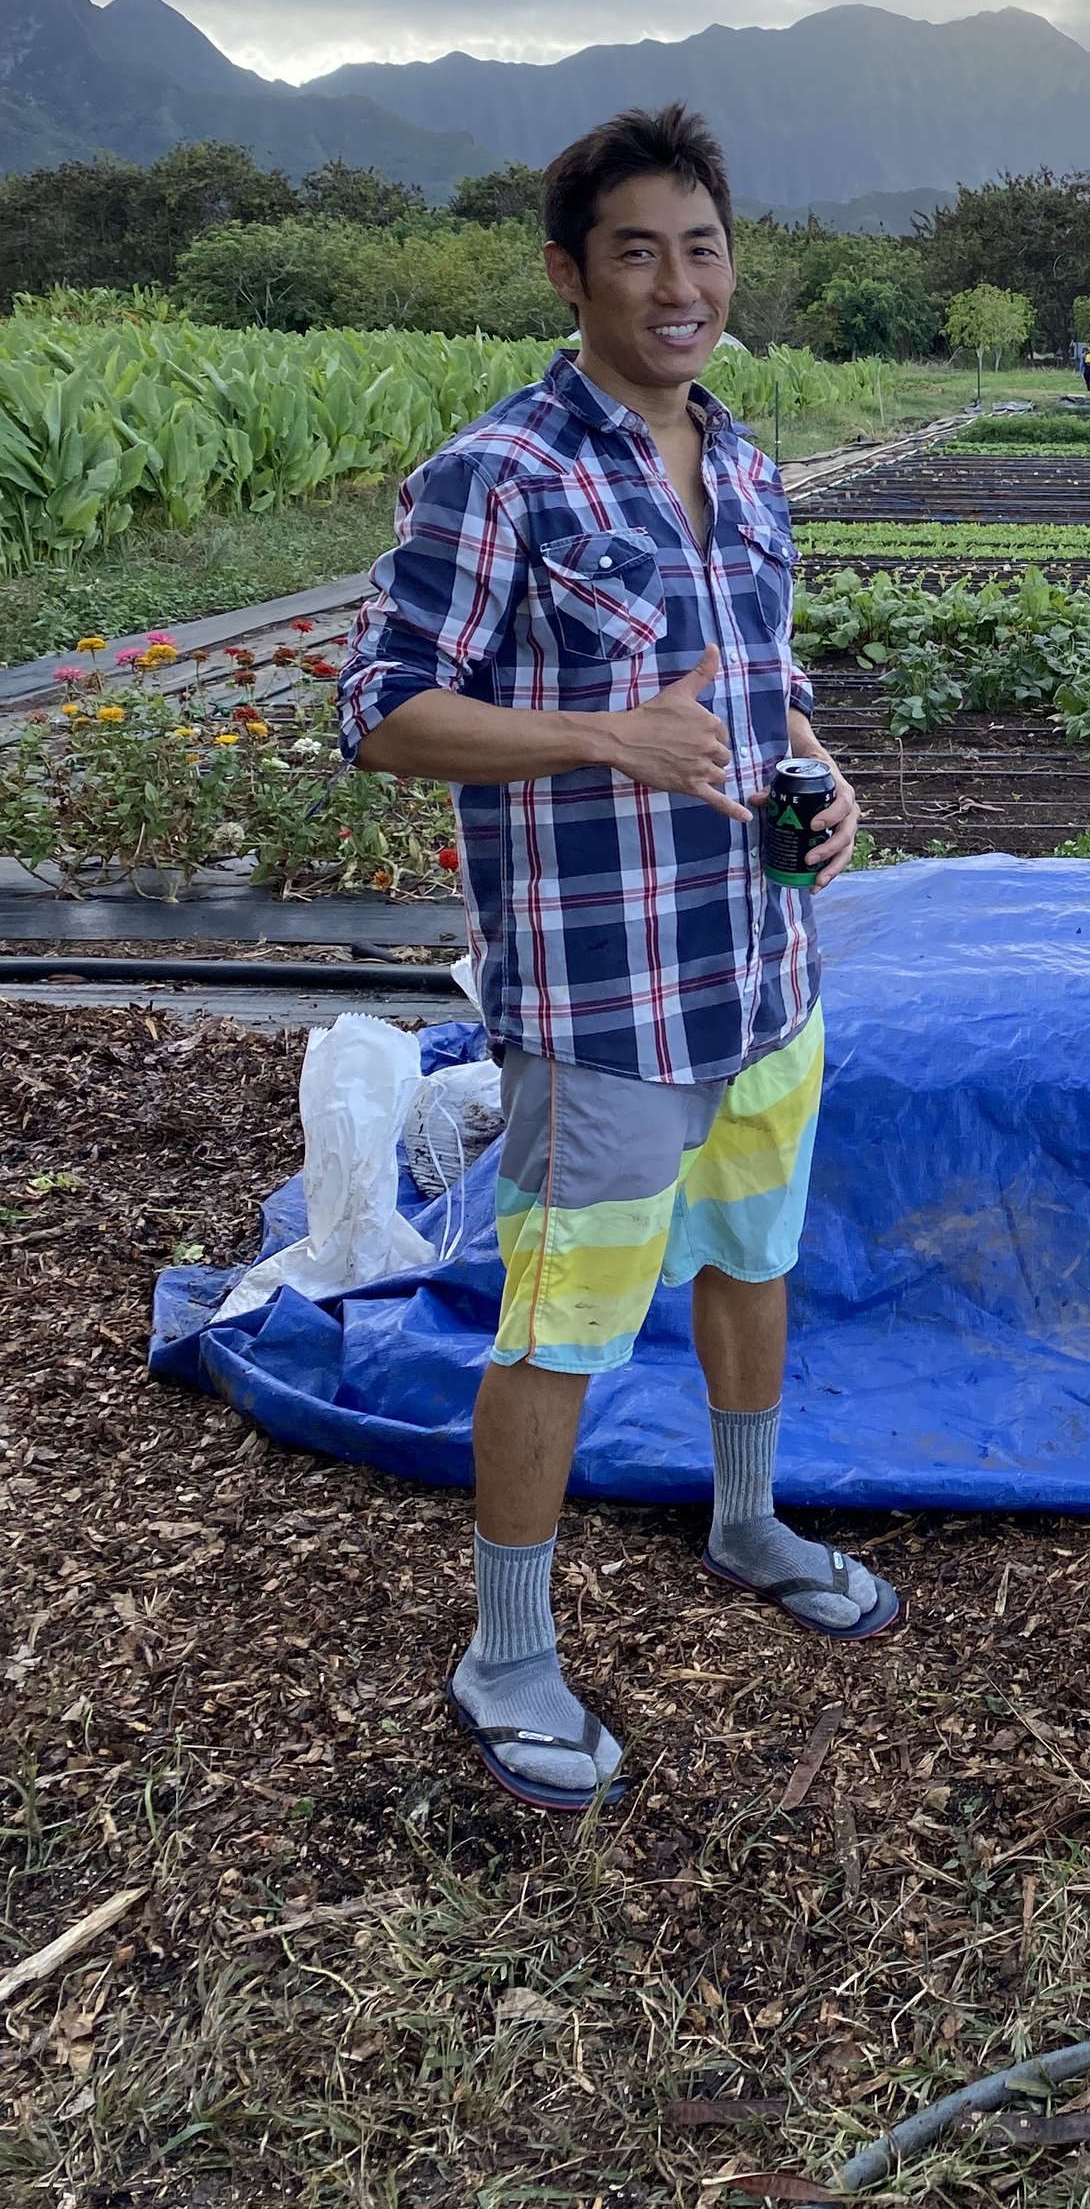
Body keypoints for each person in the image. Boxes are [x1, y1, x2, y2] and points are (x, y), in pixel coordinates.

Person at [339, 101, 903, 1817]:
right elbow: (381, 713)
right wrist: (602, 740)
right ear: (570, 272)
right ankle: (506, 1649)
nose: (679, 283)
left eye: (704, 246)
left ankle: (743, 1516)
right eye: (639, 250)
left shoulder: (740, 461)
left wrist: (825, 772)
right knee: (563, 1317)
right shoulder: (500, 473)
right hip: (606, 999)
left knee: (752, 1256)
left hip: (759, 970)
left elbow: (754, 683)